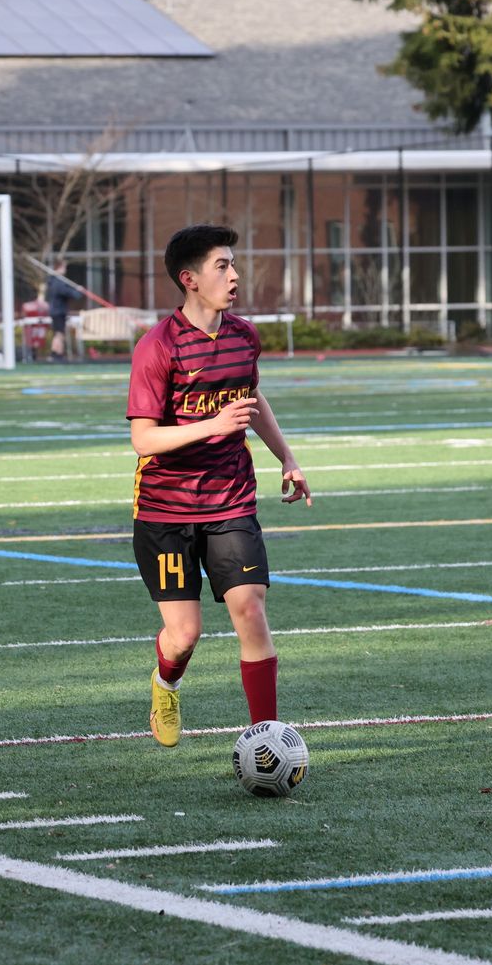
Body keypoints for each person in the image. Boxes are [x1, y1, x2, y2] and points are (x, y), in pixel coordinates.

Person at [126, 224, 312, 747]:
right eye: (222, 266)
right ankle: (165, 682)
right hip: (165, 510)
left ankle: (266, 736)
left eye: (233, 264)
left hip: (231, 498)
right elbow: (143, 441)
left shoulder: (244, 335)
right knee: (184, 636)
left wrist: (288, 458)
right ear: (189, 280)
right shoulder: (157, 347)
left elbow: (253, 401)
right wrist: (213, 425)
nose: (235, 275)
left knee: (250, 606)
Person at [44, 260, 83, 361]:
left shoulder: (53, 280)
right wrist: (77, 292)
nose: (65, 270)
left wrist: (77, 291)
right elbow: (66, 292)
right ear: (59, 268)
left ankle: (57, 353)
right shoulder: (57, 281)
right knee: (59, 333)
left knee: (59, 333)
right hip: (58, 311)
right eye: (64, 268)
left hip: (57, 310)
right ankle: (56, 354)